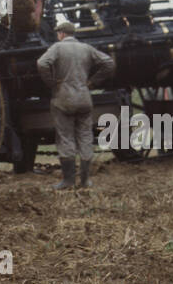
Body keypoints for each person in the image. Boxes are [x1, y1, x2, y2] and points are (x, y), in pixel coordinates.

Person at [36, 23, 115, 191]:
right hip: (84, 97)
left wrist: (51, 83)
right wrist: (93, 82)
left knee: (65, 137)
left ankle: (68, 181)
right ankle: (85, 181)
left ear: (62, 34)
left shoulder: (57, 48)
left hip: (63, 98)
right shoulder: (86, 48)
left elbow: (42, 63)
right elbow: (109, 63)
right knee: (85, 137)